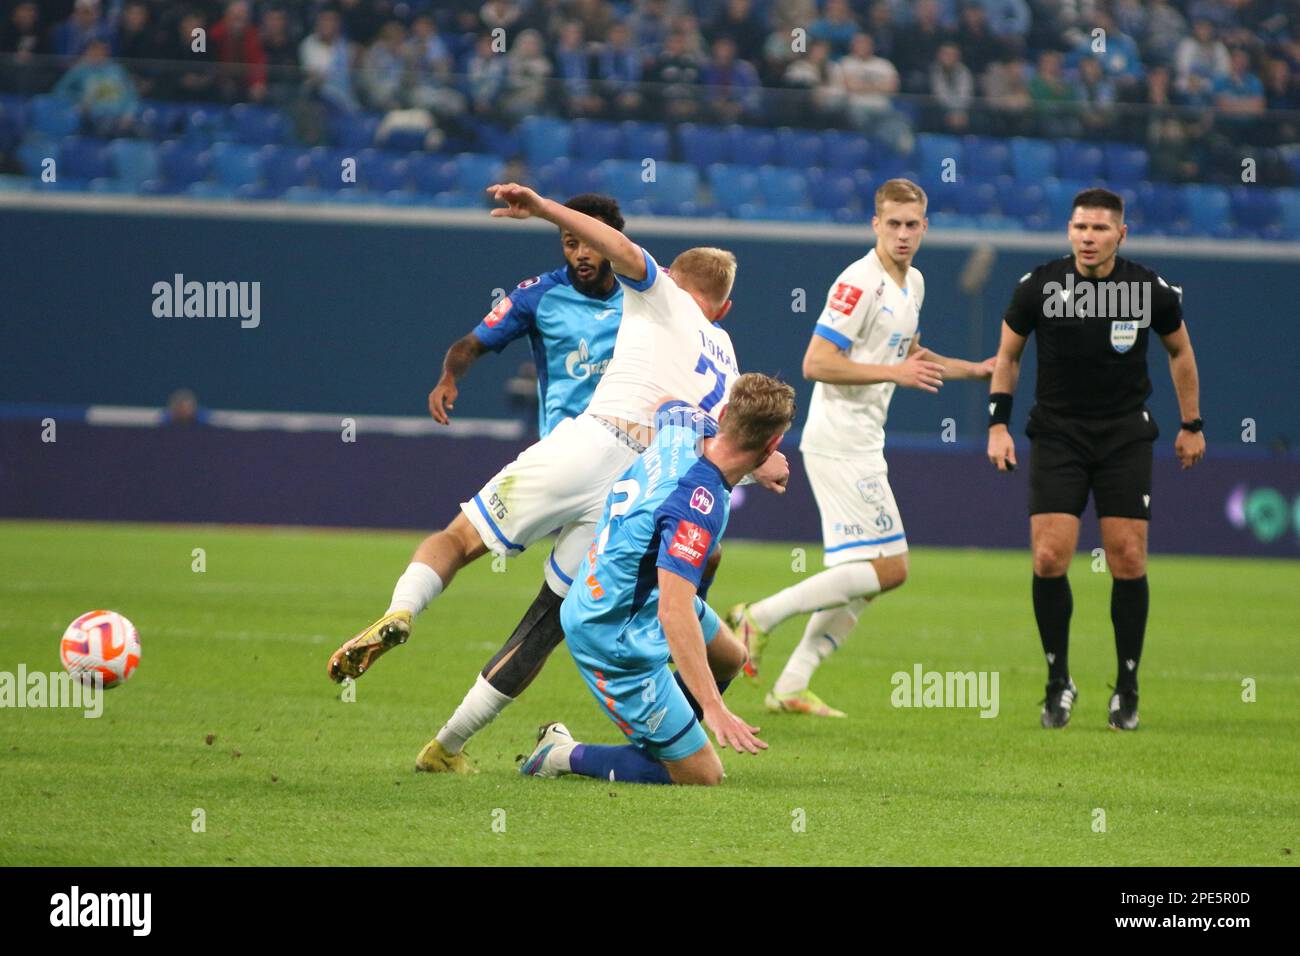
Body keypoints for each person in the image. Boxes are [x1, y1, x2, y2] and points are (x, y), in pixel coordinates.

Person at [325, 182, 789, 772]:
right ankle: (448, 745)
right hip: (631, 494)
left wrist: (543, 209)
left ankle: (403, 609)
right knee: (546, 622)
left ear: (672, 276)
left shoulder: (660, 294)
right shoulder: (726, 358)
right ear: (725, 309)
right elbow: (716, 450)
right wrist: (765, 467)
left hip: (588, 442)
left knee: (461, 539)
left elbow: (619, 248)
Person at [728, 179, 994, 718]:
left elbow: (907, 350)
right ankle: (758, 616)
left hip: (864, 442)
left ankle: (791, 685)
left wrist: (973, 371)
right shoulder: (858, 282)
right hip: (838, 441)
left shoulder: (912, 283)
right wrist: (893, 372)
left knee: (866, 581)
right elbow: (816, 362)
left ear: (925, 227)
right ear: (875, 224)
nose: (901, 234)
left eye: (911, 224)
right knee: (892, 569)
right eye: (892, 223)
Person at [986, 187, 1205, 731]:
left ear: (1120, 235)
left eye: (1101, 229)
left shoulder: (1147, 289)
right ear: (1069, 230)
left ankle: (1126, 686)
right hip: (1058, 435)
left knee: (1127, 557)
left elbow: (1180, 351)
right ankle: (1058, 681)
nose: (1088, 237)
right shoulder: (1038, 286)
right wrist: (997, 425)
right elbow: (1008, 357)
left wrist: (1191, 423)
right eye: (1080, 227)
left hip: (1124, 436)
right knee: (1048, 557)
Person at [521, 374, 797, 786]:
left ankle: (669, 732)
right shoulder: (695, 505)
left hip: (625, 588)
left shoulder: (683, 431)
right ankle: (559, 755)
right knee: (703, 774)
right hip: (611, 629)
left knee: (730, 657)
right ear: (773, 444)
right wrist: (714, 708)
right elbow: (673, 610)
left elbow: (668, 399)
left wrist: (753, 467)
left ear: (724, 416)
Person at [427, 193, 625, 440]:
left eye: (592, 242)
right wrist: (448, 379)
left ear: (614, 241)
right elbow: (471, 345)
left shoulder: (647, 289)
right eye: (571, 243)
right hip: (566, 445)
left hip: (632, 445)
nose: (581, 254)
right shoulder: (535, 296)